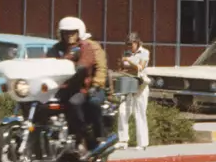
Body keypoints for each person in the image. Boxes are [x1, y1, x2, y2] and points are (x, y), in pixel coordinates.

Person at [51, 15, 108, 146]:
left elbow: (98, 66)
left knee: (84, 102)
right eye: (65, 32)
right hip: (64, 87)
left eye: (72, 32)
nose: (69, 35)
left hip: (84, 86)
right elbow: (46, 60)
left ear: (79, 32)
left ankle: (90, 133)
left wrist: (96, 84)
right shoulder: (57, 48)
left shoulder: (87, 47)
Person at [119, 31, 152, 151]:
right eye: (127, 44)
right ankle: (123, 140)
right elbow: (122, 67)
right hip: (128, 81)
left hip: (140, 83)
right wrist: (129, 64)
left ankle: (142, 143)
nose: (129, 47)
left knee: (139, 112)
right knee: (123, 110)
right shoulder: (126, 52)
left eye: (131, 44)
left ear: (137, 42)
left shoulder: (144, 52)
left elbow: (140, 67)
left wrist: (129, 61)